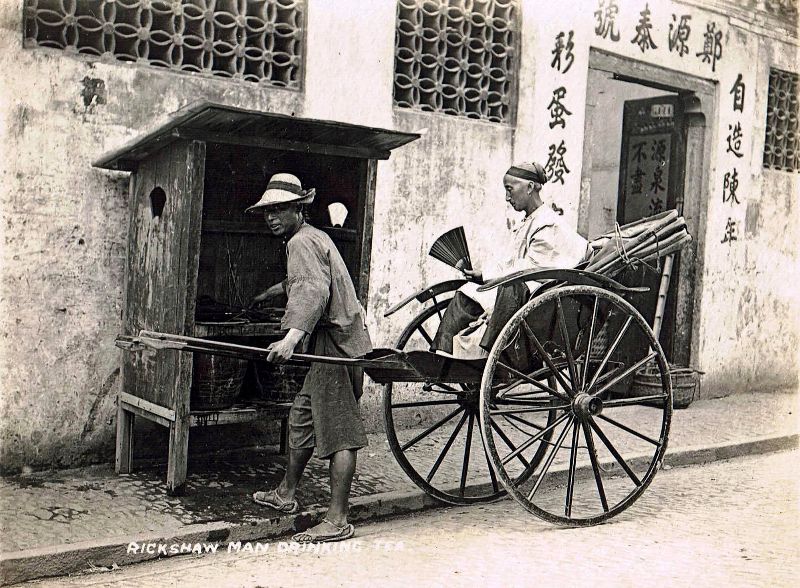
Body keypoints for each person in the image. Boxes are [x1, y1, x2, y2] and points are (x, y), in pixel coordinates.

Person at [246, 173, 372, 544]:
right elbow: (301, 282)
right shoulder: (311, 238)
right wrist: (269, 294)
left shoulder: (301, 241)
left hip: (336, 347)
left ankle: (338, 520)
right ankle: (285, 494)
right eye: (267, 211)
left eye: (279, 209)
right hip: (331, 344)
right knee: (301, 418)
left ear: (298, 209)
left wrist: (290, 338)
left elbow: (313, 291)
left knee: (339, 433)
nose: (271, 217)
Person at [432, 161, 588, 357]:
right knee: (466, 293)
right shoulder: (528, 221)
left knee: (500, 290)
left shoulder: (548, 224)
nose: (507, 197)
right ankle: (443, 354)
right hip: (519, 288)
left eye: (510, 189)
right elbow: (511, 262)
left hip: (534, 298)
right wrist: (483, 274)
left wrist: (491, 277)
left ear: (530, 187)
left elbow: (534, 269)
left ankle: (488, 355)